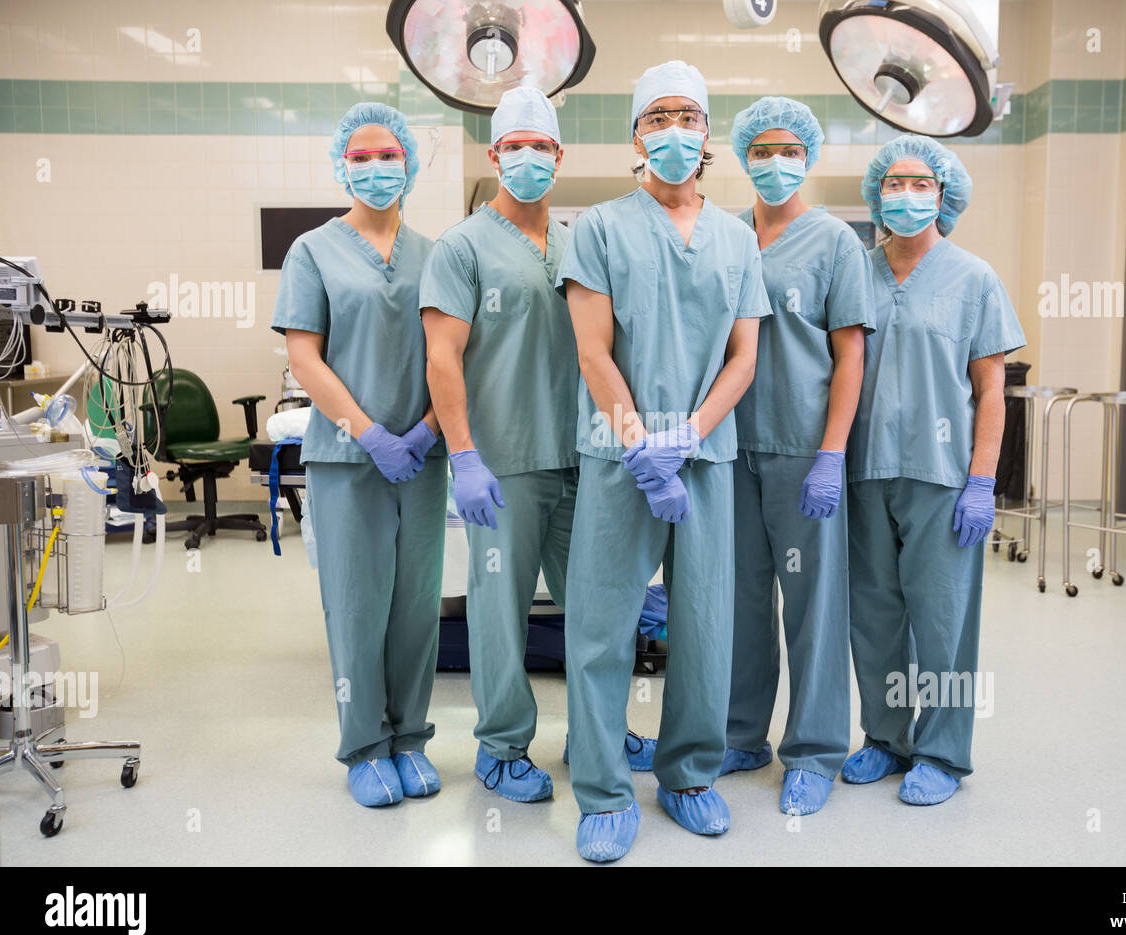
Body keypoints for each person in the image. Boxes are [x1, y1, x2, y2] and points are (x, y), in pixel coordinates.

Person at [557, 60, 771, 862]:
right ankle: (607, 791)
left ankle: (688, 775)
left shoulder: (735, 238)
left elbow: (744, 357)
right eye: (657, 119)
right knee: (602, 626)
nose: (673, 132)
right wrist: (644, 444)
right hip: (619, 458)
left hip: (707, 458)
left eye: (688, 117)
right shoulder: (601, 230)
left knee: (708, 625)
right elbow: (592, 351)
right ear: (636, 137)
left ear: (708, 135)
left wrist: (689, 435)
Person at [420, 87, 655, 805]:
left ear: (560, 157)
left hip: (582, 459)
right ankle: (500, 746)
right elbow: (442, 358)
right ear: (494, 156)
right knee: (501, 612)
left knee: (597, 607)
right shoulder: (462, 247)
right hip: (504, 463)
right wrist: (462, 455)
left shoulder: (576, 241)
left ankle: (598, 734)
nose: (528, 158)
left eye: (541, 147)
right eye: (514, 147)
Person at [271, 103, 446, 808]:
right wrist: (368, 432)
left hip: (423, 458)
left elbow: (456, 357)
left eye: (388, 156)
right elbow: (302, 354)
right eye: (362, 158)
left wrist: (430, 430)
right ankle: (364, 747)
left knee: (416, 608)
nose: (376, 169)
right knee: (356, 605)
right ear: (342, 166)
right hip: (348, 460)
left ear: (409, 163)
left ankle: (409, 738)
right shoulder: (313, 250)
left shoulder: (437, 255)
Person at [844, 134, 1025, 806]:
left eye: (922, 185)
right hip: (866, 471)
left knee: (943, 618)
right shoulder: (855, 270)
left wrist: (983, 481)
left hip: (942, 476)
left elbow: (989, 392)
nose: (907, 196)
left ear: (944, 196)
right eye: (894, 184)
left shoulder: (973, 278)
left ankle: (943, 752)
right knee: (874, 613)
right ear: (876, 196)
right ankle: (885, 739)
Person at [718, 97, 873, 816]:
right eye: (762, 151)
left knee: (813, 604)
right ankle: (741, 733)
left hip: (802, 449)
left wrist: (830, 454)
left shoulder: (835, 242)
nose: (775, 163)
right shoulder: (724, 236)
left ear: (807, 157)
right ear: (743, 157)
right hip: (729, 447)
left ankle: (812, 750)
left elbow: (850, 356)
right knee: (740, 601)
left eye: (788, 151)